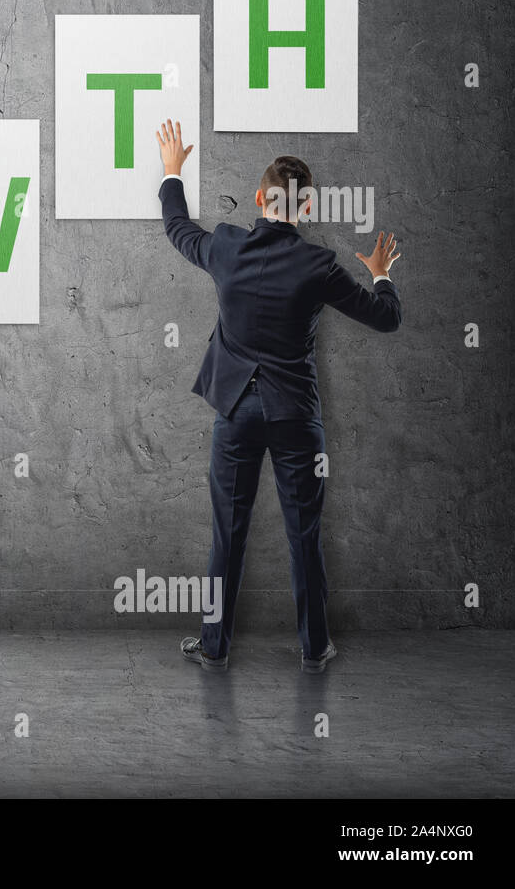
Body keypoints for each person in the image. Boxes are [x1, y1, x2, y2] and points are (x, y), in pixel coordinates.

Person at [153, 120, 402, 673]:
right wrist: (381, 275)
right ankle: (315, 648)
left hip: (236, 411)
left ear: (262, 198)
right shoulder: (320, 265)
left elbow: (176, 226)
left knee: (228, 534)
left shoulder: (225, 248)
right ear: (305, 208)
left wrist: (173, 170)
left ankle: (215, 647)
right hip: (296, 418)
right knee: (304, 536)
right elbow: (386, 318)